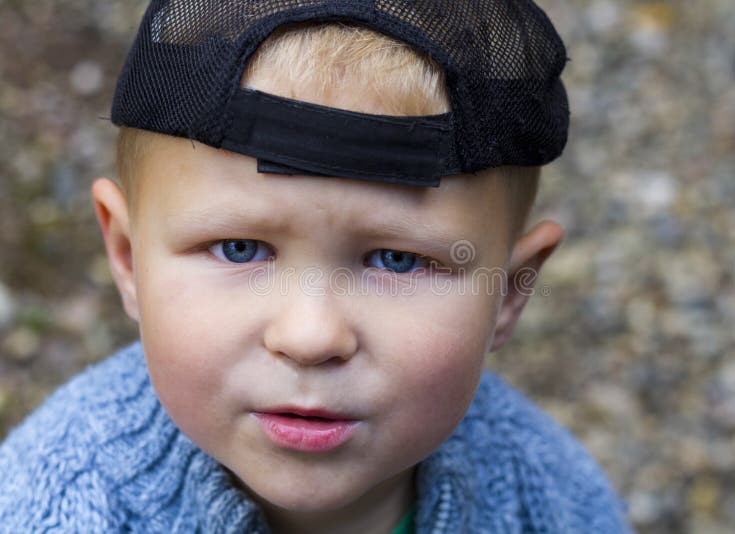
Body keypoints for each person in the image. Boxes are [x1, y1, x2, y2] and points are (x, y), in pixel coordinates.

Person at [0, 1, 632, 532]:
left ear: (511, 294)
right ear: (128, 258)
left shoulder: (554, 501)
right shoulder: (45, 508)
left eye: (398, 259)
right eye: (239, 248)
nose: (310, 337)